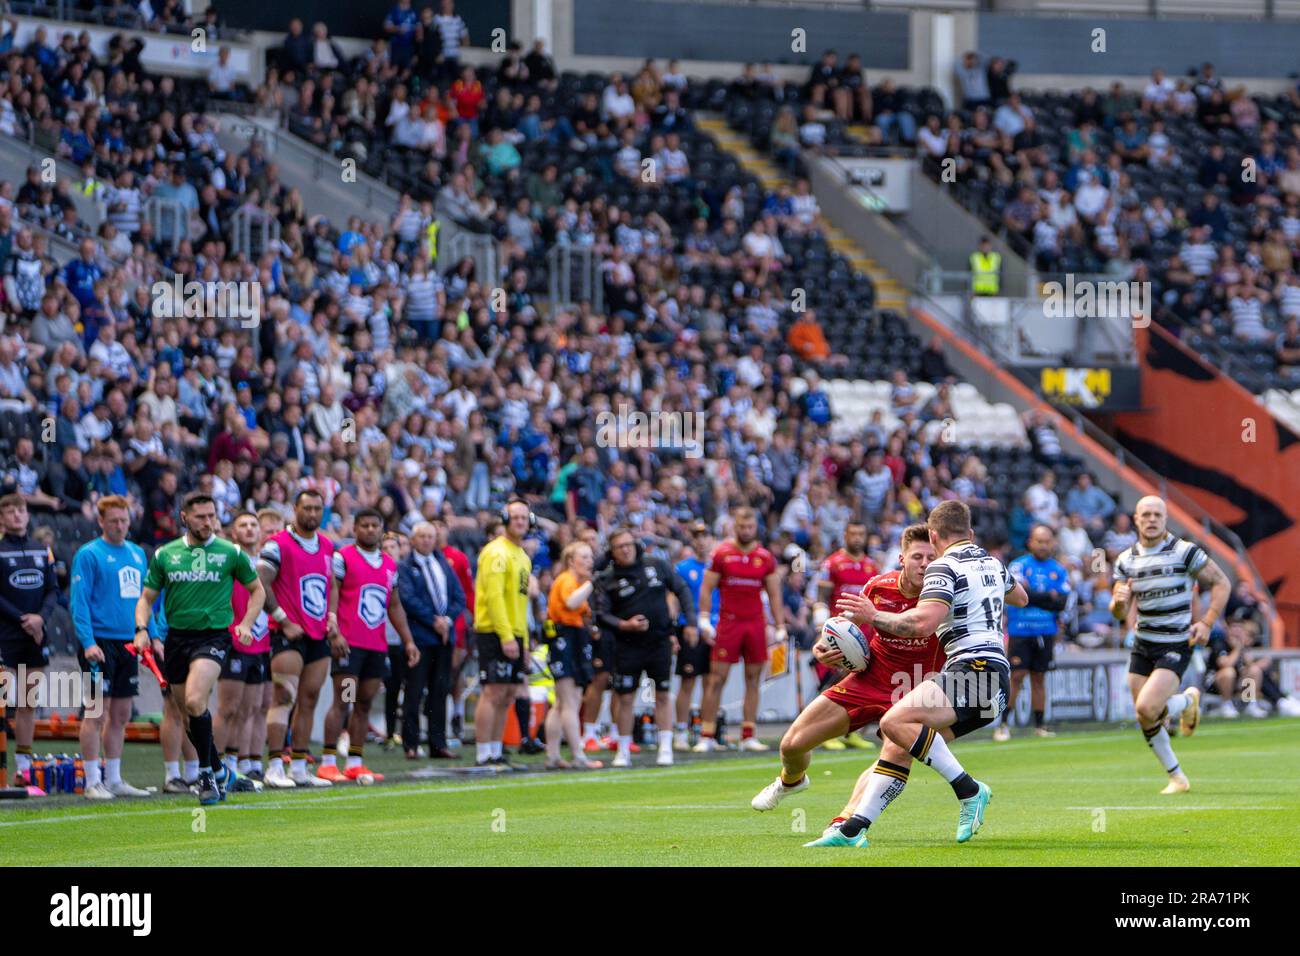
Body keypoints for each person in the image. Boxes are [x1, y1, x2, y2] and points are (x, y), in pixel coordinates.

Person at [834, 501, 1028, 846]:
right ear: (969, 534)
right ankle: (853, 830)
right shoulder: (993, 564)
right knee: (898, 746)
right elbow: (1022, 598)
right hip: (995, 683)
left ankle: (969, 790)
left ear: (934, 535)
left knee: (892, 723)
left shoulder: (943, 566)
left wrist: (872, 615)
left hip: (974, 670)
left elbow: (921, 624)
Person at [750, 525, 940, 842]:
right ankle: (791, 780)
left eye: (931, 558)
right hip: (872, 677)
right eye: (917, 556)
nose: (924, 564)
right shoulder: (879, 587)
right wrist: (825, 648)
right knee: (792, 744)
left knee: (892, 757)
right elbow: (842, 626)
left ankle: (845, 824)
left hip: (917, 690)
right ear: (901, 559)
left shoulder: (944, 594)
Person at [135, 492, 266, 805]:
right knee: (188, 713)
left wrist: (246, 624)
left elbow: (257, 591)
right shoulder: (165, 554)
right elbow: (146, 599)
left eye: (211, 516)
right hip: (177, 640)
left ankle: (206, 775)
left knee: (196, 700)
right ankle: (221, 771)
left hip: (214, 638)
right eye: (200, 517)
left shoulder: (230, 552)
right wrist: (142, 630)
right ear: (184, 518)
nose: (208, 522)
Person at [1111, 496, 1230, 794]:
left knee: (1147, 706)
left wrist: (1206, 622)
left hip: (1174, 643)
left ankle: (1188, 701)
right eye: (1145, 515)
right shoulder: (1126, 560)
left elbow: (1222, 583)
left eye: (1157, 515)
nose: (1151, 520)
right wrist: (1117, 605)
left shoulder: (1184, 552)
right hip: (1142, 643)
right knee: (1146, 715)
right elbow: (1119, 611)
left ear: (1165, 520)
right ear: (1136, 519)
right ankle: (1176, 776)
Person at [322, 508, 420, 781]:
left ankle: (355, 760)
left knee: (364, 703)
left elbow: (395, 605)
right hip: (349, 645)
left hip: (376, 646)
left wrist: (408, 640)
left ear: (381, 528)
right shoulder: (343, 558)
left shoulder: (389, 564)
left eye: (374, 525)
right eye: (363, 525)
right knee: (345, 699)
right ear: (355, 528)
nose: (369, 530)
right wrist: (334, 630)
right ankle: (329, 761)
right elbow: (333, 592)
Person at [70, 496, 154, 799]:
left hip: (129, 642)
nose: (119, 526)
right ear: (101, 522)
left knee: (121, 714)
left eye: (124, 520)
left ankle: (114, 778)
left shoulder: (136, 554)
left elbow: (145, 601)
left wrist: (152, 635)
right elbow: (79, 603)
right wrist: (88, 642)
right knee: (96, 713)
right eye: (113, 521)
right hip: (99, 644)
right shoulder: (89, 554)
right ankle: (92, 781)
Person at [592, 527, 697, 767]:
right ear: (612, 552)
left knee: (662, 694)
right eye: (620, 546)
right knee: (625, 697)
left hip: (659, 640)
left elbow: (681, 589)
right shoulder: (607, 578)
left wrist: (690, 622)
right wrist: (624, 624)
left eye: (629, 544)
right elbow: (600, 614)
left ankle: (665, 746)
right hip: (627, 645)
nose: (626, 549)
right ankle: (623, 749)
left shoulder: (656, 565)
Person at [258, 489, 336, 788]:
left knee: (309, 699)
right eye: (307, 508)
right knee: (284, 697)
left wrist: (331, 619)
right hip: (288, 633)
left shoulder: (328, 546)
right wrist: (282, 619)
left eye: (317, 509)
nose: (312, 514)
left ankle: (300, 767)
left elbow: (331, 587)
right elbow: (260, 581)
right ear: (295, 509)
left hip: (318, 634)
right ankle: (275, 765)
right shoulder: (278, 544)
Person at [694, 507, 785, 752]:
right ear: (735, 527)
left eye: (750, 527)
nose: (745, 531)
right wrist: (703, 618)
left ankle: (748, 734)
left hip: (755, 622)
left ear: (755, 528)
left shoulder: (765, 557)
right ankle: (707, 734)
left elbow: (774, 594)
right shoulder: (721, 554)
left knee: (753, 679)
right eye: (742, 527)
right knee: (716, 679)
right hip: (729, 622)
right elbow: (706, 588)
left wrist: (779, 626)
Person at [0, 494, 60, 786]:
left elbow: (53, 590)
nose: (17, 515)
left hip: (36, 635)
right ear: (2, 518)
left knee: (28, 702)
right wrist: (23, 619)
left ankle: (23, 769)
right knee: (1, 702)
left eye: (21, 510)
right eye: (10, 511)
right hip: (6, 635)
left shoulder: (42, 550)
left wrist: (40, 618)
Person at [995, 525, 1071, 741]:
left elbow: (1062, 603)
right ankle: (1003, 725)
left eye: (1047, 541)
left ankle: (1040, 725)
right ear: (1030, 542)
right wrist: (1048, 596)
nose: (1043, 545)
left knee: (1039, 678)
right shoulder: (1018, 566)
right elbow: (1022, 594)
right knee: (1016, 677)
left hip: (1046, 631)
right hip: (1021, 630)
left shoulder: (1058, 568)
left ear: (1052, 543)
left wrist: (1034, 597)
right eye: (1039, 541)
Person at [472, 499, 533, 770]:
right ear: (505, 520)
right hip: (494, 630)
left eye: (523, 517)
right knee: (493, 691)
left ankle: (496, 750)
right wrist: (506, 635)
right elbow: (494, 597)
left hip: (515, 631)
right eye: (515, 517)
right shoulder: (496, 552)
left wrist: (524, 642)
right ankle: (483, 751)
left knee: (508, 693)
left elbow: (522, 603)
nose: (520, 522)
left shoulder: (522, 556)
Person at [395, 520, 462, 761]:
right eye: (421, 536)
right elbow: (408, 599)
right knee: (414, 690)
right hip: (420, 637)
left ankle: (438, 742)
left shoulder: (442, 563)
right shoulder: (405, 566)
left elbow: (458, 596)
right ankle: (410, 743)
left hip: (444, 638)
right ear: (413, 540)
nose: (426, 540)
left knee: (440, 691)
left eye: (430, 536)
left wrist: (448, 620)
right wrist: (434, 620)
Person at [213, 512, 270, 790]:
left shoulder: (265, 564)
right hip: (234, 641)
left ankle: (240, 764)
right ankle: (215, 766)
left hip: (260, 642)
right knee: (228, 708)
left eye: (253, 525)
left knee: (251, 708)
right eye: (243, 525)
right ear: (233, 533)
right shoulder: (228, 558)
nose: (249, 529)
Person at [813, 521, 879, 751]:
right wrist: (820, 628)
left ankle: (853, 732)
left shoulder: (872, 567)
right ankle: (823, 732)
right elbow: (820, 596)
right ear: (845, 535)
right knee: (833, 682)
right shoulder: (832, 563)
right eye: (854, 533)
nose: (858, 537)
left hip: (865, 634)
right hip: (838, 633)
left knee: (865, 684)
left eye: (862, 533)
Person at [543, 541, 603, 769]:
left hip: (574, 638)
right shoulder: (567, 580)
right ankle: (578, 754)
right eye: (584, 557)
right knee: (570, 700)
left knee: (562, 702)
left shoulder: (574, 582)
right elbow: (571, 602)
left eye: (590, 557)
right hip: (564, 639)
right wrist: (592, 583)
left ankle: (553, 755)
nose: (589, 562)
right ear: (571, 560)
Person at [672, 521, 717, 750]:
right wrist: (675, 629)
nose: (701, 540)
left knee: (712, 682)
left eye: (705, 535)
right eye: (697, 536)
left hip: (716, 628)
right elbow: (673, 600)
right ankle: (680, 731)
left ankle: (705, 733)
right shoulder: (682, 568)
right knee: (687, 681)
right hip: (690, 628)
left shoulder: (718, 566)